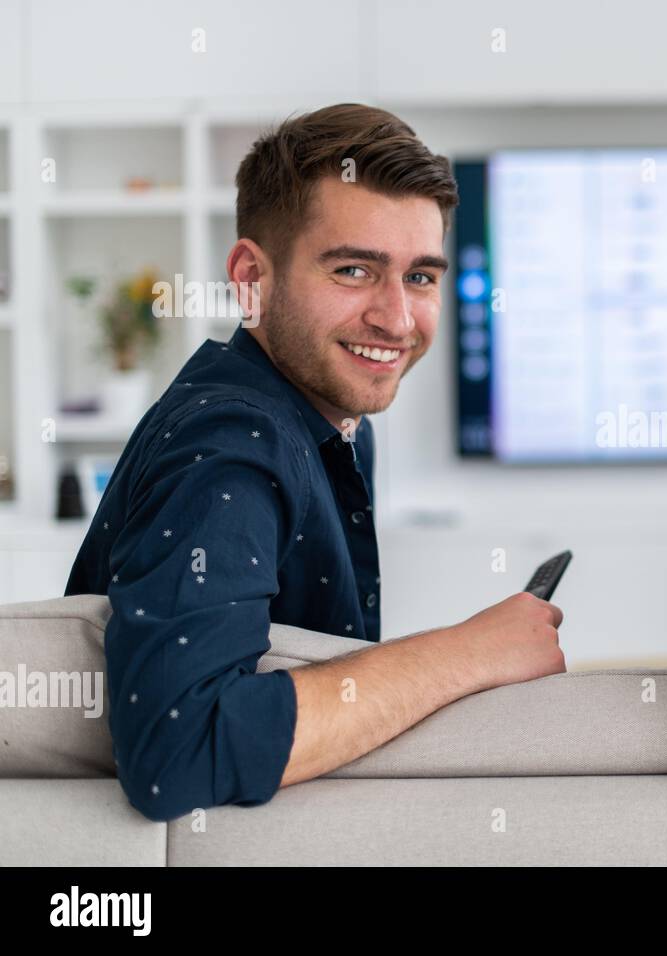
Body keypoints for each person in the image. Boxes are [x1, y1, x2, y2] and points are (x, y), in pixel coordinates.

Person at [64, 104, 565, 822]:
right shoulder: (232, 444)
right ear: (251, 277)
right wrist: (469, 653)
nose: (396, 320)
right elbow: (178, 753)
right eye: (355, 270)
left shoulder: (332, 418)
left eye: (421, 278)